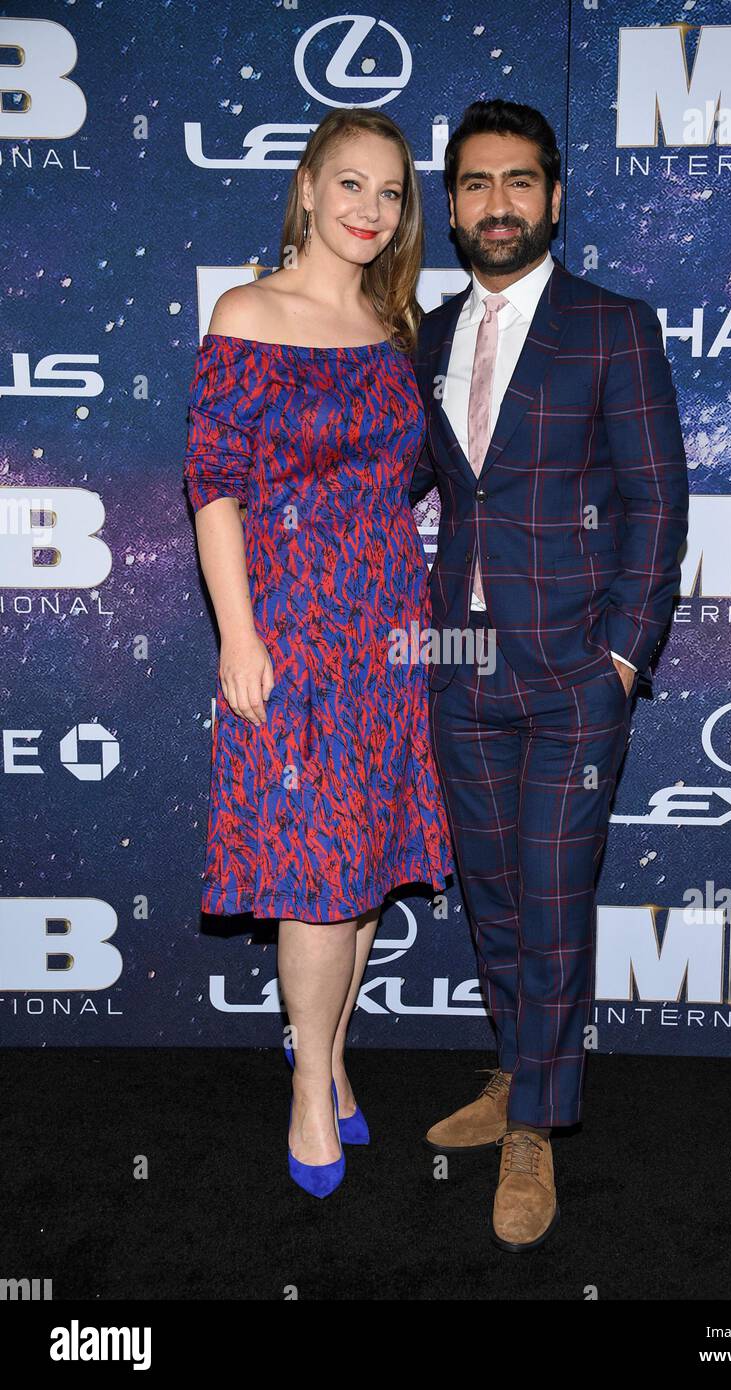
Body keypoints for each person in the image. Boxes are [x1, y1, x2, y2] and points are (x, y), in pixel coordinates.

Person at [410, 99, 689, 1251]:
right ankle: (516, 1071)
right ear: (454, 203)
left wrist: (621, 657)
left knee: (552, 891)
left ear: (554, 196)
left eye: (518, 182)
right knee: (490, 892)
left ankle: (536, 1124)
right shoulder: (426, 333)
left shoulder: (609, 326)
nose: (497, 205)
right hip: (459, 660)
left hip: (574, 664)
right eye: (475, 185)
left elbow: (654, 503)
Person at [182, 108, 453, 1199]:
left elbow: (414, 480)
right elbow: (214, 482)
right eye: (350, 185)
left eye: (389, 195)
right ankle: (308, 1091)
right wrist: (239, 635)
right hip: (287, 626)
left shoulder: (396, 330)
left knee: (358, 874)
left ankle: (331, 1059)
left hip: (387, 625)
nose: (368, 211)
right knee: (311, 877)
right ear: (306, 188)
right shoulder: (248, 311)